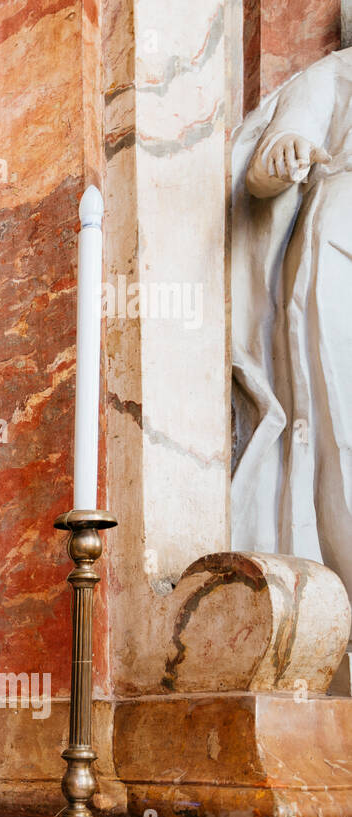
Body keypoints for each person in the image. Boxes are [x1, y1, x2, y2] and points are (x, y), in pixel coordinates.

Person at [232, 48, 352, 598]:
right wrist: (285, 152)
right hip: (339, 251)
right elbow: (264, 166)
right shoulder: (338, 73)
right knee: (338, 432)